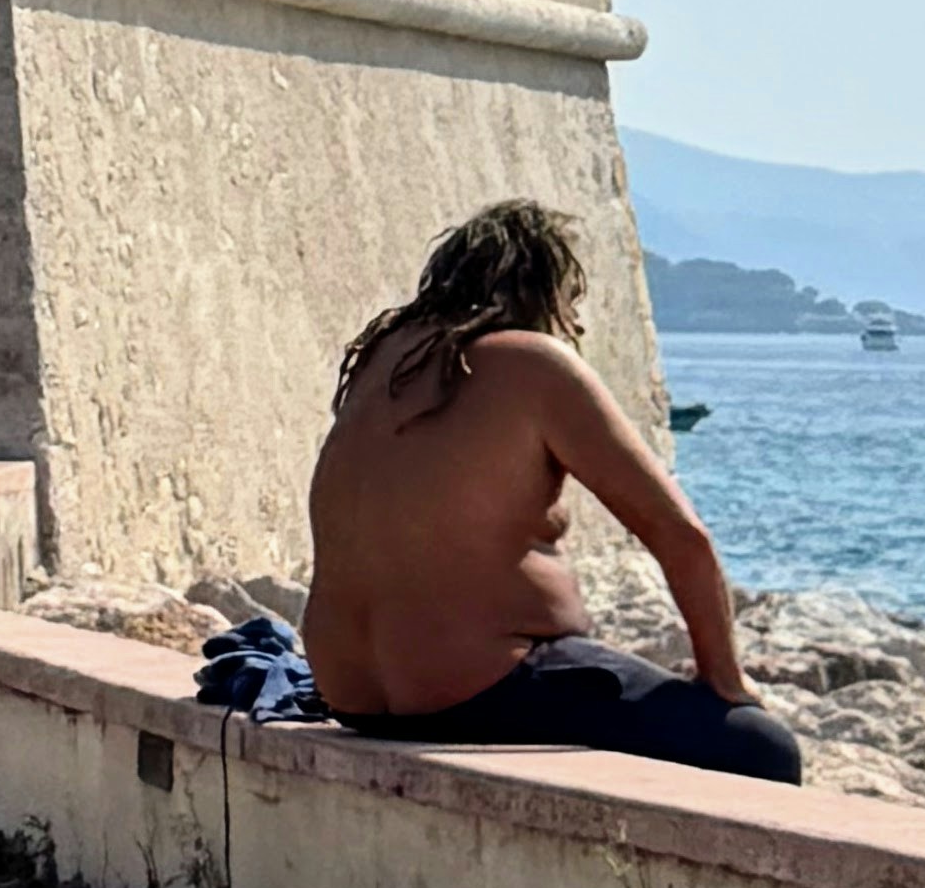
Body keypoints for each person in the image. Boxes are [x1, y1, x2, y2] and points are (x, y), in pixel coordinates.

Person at [302, 198, 804, 782]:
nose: (577, 323)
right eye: (570, 300)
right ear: (539, 290)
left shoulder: (382, 364)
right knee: (762, 749)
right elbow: (679, 534)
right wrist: (725, 679)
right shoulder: (533, 364)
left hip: (354, 695)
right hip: (477, 692)